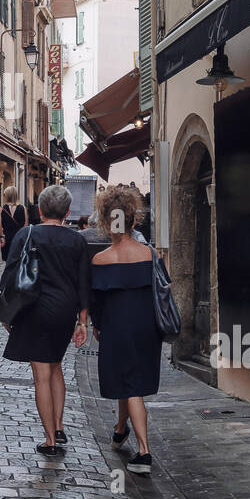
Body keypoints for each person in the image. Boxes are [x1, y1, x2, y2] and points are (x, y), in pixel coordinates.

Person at [1, 185, 90, 456]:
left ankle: (50, 440)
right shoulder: (77, 240)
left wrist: (7, 314)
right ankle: (60, 425)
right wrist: (82, 321)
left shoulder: (27, 234)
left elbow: (10, 273)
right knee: (56, 366)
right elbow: (84, 283)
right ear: (67, 212)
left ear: (39, 210)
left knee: (41, 375)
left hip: (33, 308)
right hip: (64, 310)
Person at [90, 185, 163, 475]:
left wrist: (94, 324)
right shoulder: (150, 254)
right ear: (134, 220)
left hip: (116, 328)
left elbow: (95, 301)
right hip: (147, 328)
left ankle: (144, 452)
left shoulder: (100, 260)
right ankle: (121, 428)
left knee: (130, 386)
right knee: (129, 379)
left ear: (107, 222)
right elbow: (163, 292)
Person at [0, 186, 26, 262]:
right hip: (19, 238)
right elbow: (25, 226)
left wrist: (0, 238)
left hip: (7, 238)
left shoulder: (3, 209)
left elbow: (0, 226)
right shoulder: (22, 208)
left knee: (7, 261)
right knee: (18, 260)